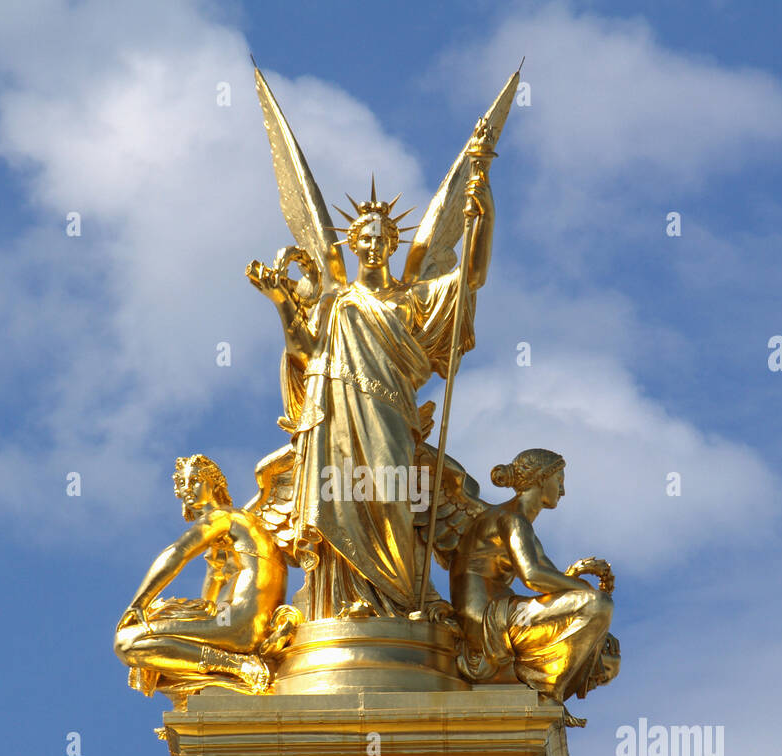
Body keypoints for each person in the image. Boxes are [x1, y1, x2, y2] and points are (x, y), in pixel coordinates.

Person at [247, 176, 494, 620]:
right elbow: (304, 351)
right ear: (354, 244)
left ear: (394, 244)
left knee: (389, 496)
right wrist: (283, 302)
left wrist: (482, 215)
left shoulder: (412, 300)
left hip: (391, 416)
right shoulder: (334, 301)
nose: (375, 243)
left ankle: (399, 603)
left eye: (383, 237)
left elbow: (470, 278)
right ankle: (339, 604)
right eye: (366, 237)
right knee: (337, 498)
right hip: (334, 414)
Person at [449, 449, 617, 705]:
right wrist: (585, 588)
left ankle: (549, 684)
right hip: (486, 620)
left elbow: (550, 580)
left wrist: (576, 580)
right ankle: (548, 693)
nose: (562, 491)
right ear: (541, 479)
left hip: (499, 614)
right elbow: (532, 576)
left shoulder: (516, 521)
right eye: (559, 481)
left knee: (596, 627)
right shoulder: (511, 520)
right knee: (597, 605)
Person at [114, 455, 291, 696]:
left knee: (127, 642)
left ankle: (236, 665)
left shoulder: (223, 518)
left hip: (240, 623)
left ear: (215, 485)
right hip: (244, 622)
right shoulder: (233, 532)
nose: (187, 489)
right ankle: (227, 665)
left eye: (195, 481)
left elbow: (178, 553)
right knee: (160, 617)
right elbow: (213, 587)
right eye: (182, 483)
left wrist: (139, 603)